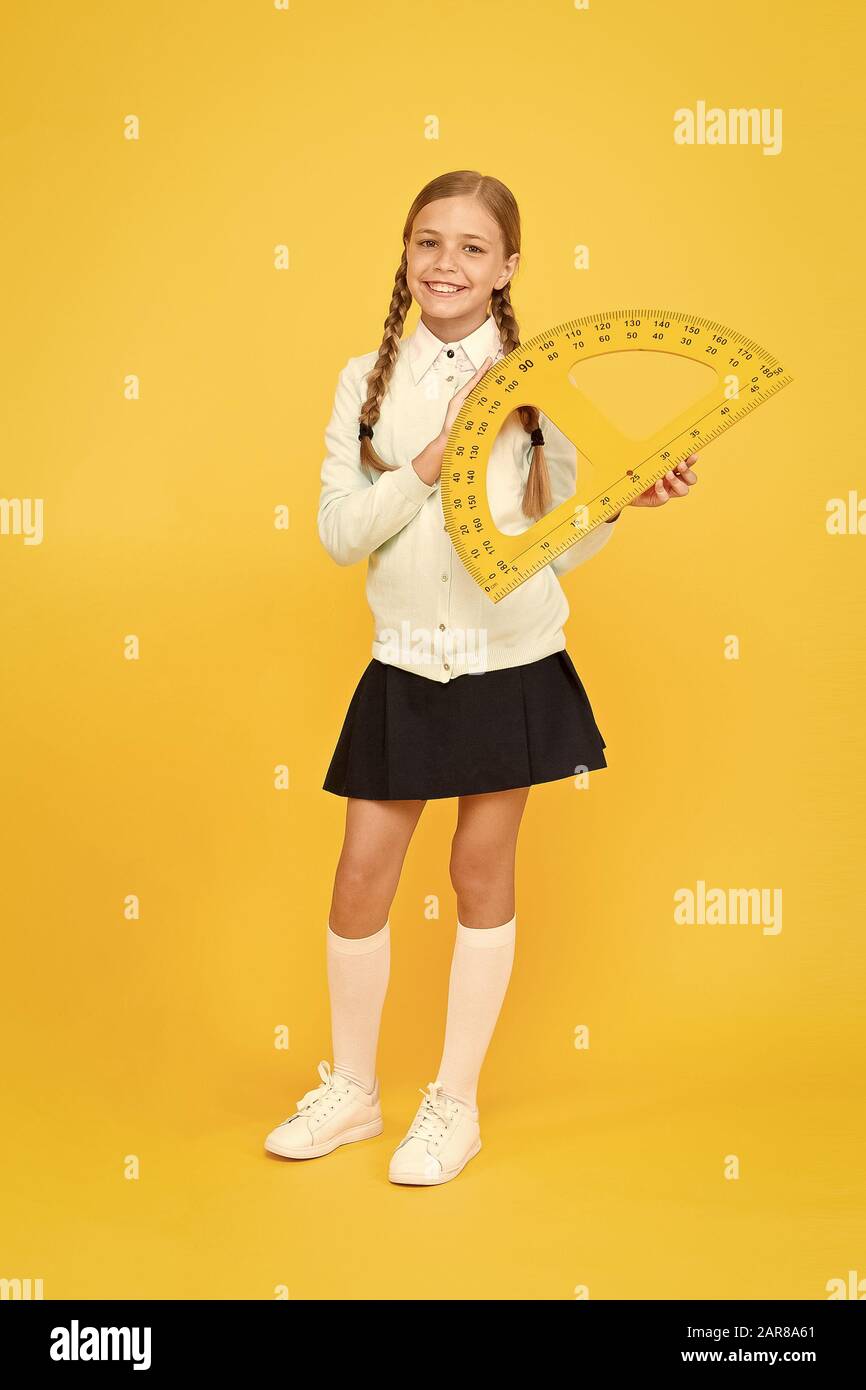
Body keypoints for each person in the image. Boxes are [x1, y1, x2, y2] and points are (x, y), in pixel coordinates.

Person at [264, 169, 698, 1185]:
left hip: (510, 661)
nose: (445, 263)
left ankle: (451, 1105)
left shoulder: (537, 376)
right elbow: (338, 533)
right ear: (405, 256)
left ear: (506, 267)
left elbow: (554, 542)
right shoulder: (361, 381)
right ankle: (356, 1092)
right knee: (361, 876)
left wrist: (626, 501)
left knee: (476, 873)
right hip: (405, 664)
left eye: (469, 247)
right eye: (427, 242)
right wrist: (430, 458)